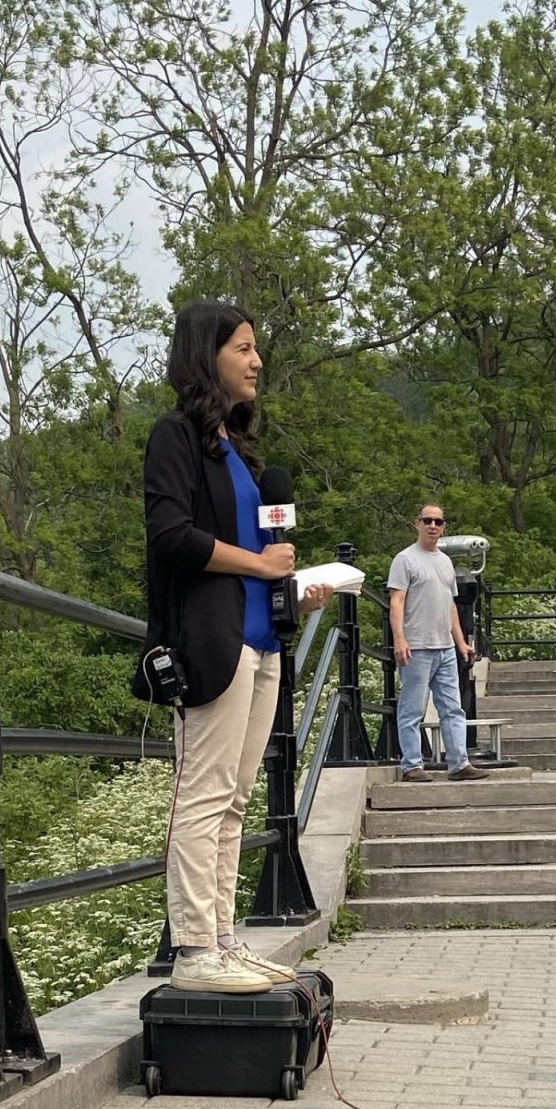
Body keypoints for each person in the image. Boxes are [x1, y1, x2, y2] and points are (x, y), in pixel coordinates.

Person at [140, 301, 332, 994]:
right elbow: (172, 536)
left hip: (261, 642)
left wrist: (292, 589)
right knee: (203, 796)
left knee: (234, 800)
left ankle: (222, 939)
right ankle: (194, 952)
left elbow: (259, 554)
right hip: (211, 644)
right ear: (207, 355)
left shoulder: (240, 453)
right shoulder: (175, 437)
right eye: (244, 348)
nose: (257, 361)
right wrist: (259, 565)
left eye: (256, 349)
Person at [388, 504, 488, 782]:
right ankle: (412, 765)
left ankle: (459, 762)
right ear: (417, 523)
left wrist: (461, 643)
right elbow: (397, 600)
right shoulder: (404, 559)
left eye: (438, 521)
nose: (433, 525)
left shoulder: (445, 562)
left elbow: (450, 606)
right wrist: (399, 638)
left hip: (444, 647)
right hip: (417, 646)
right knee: (412, 709)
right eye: (428, 520)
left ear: (444, 527)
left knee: (453, 707)